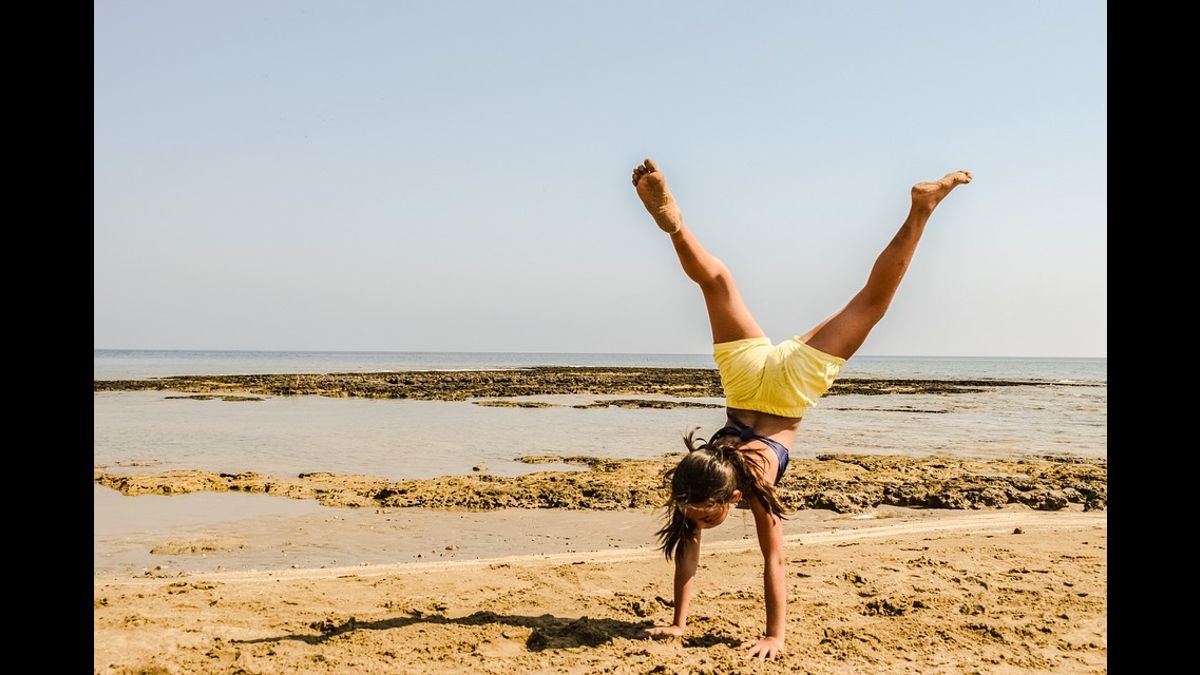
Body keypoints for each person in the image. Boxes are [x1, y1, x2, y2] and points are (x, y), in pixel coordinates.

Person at [631, 158, 971, 660]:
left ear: (729, 498)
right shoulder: (697, 476)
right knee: (717, 282)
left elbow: (775, 562)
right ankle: (676, 227)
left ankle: (921, 209)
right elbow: (694, 551)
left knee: (873, 302)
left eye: (703, 518)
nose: (698, 525)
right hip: (744, 379)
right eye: (698, 517)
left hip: (787, 391)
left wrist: (776, 636)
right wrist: (678, 624)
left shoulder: (755, 485)